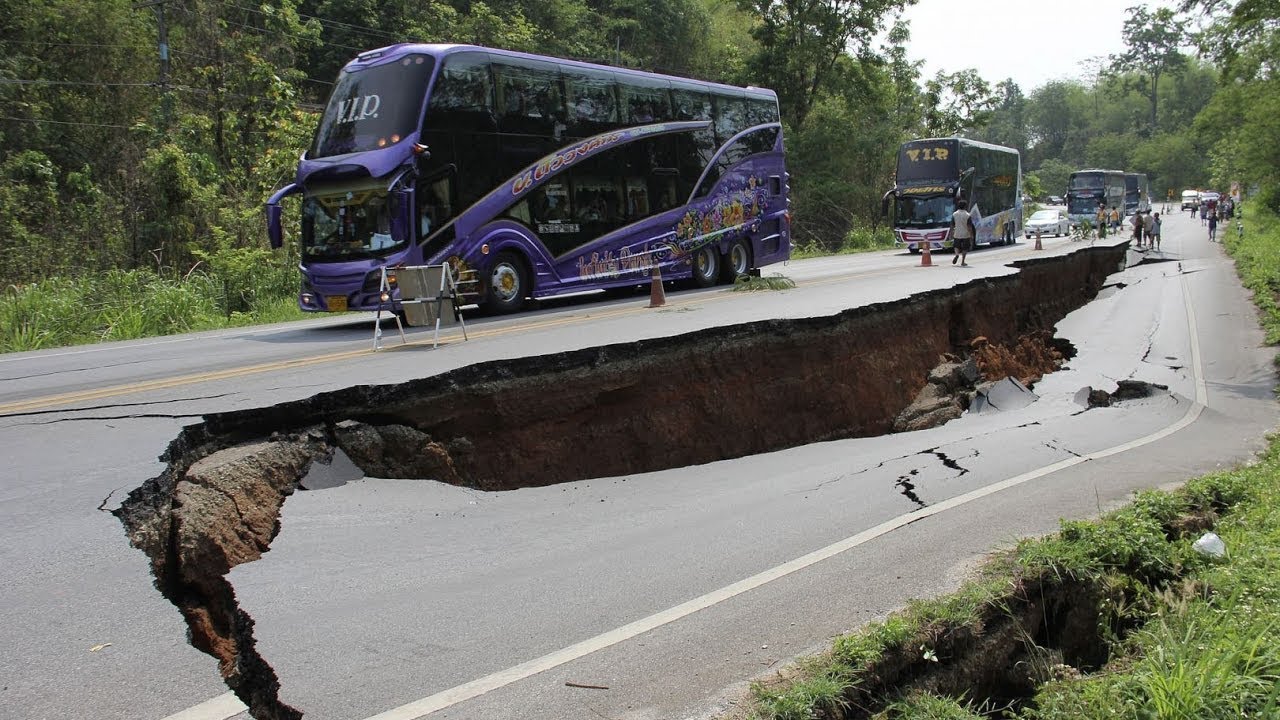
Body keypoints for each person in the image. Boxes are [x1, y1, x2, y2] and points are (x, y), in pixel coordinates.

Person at [951, 200, 976, 266]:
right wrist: (971, 235)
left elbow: (952, 225)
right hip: (965, 234)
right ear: (965, 206)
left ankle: (956, 255)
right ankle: (962, 261)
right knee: (965, 248)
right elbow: (969, 227)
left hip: (957, 233)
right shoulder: (968, 215)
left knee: (956, 246)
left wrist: (951, 233)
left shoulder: (954, 214)